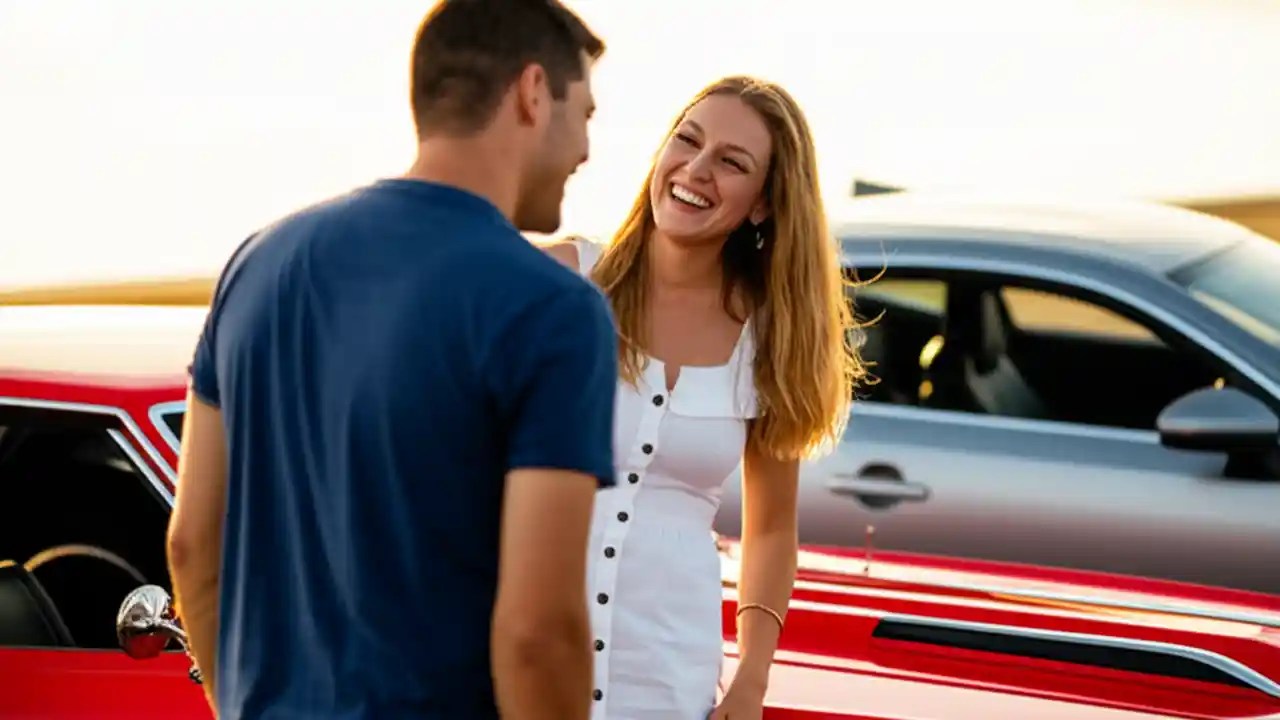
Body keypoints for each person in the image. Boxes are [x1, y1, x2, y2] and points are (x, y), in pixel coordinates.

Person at [165, 2, 615, 719]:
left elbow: (192, 544)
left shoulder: (255, 265)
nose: (588, 148)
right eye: (585, 113)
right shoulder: (552, 309)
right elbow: (537, 632)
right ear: (533, 93)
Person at [542, 76, 865, 719]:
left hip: (666, 677)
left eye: (731, 162)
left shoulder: (769, 340)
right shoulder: (562, 283)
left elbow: (771, 528)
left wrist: (751, 680)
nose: (696, 169)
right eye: (687, 141)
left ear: (763, 204)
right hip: (535, 662)